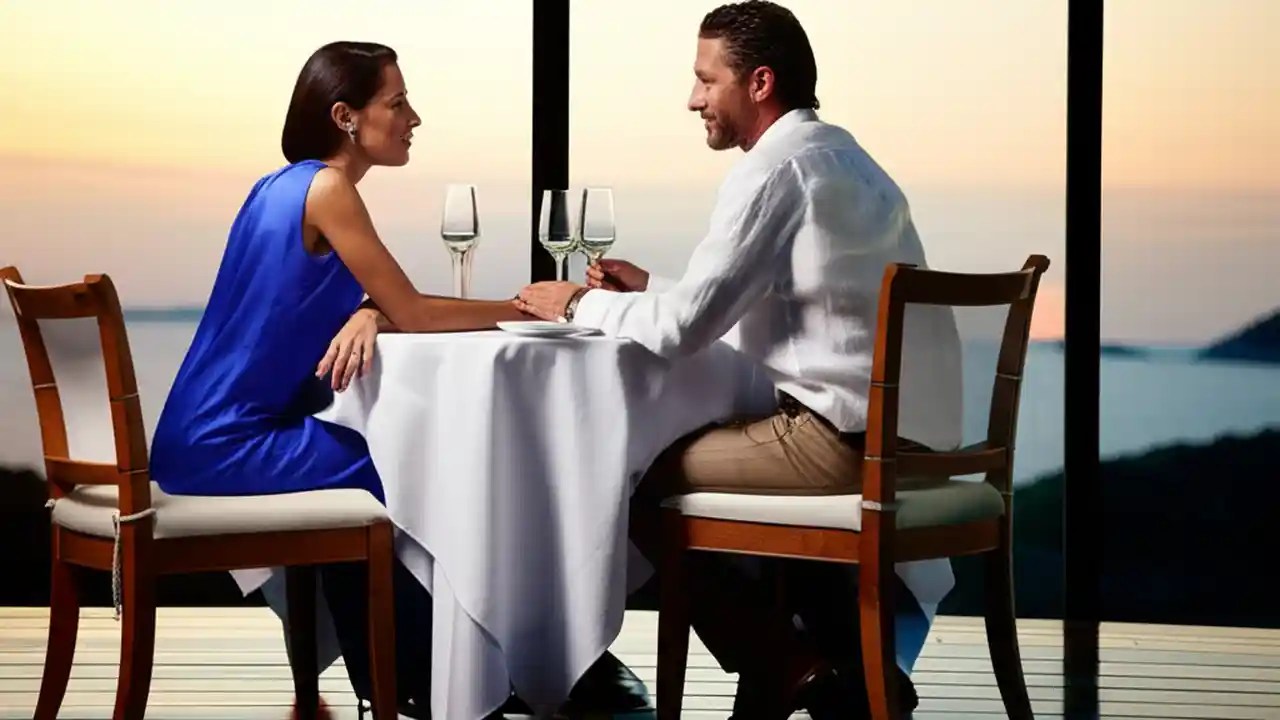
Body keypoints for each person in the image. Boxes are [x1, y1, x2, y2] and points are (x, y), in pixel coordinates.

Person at [148, 41, 645, 718]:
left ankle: (424, 666)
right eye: (398, 102)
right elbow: (414, 309)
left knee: (405, 464)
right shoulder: (330, 190)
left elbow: (304, 300)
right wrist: (530, 305)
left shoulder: (279, 185)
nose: (414, 117)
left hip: (193, 435)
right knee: (421, 470)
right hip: (229, 443)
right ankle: (475, 666)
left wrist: (368, 313)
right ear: (346, 115)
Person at [516, 2, 963, 718]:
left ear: (759, 83)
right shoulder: (849, 160)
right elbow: (778, 306)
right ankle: (844, 663)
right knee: (707, 461)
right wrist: (654, 288)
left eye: (705, 80)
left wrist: (575, 305)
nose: (693, 98)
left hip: (843, 445)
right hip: (911, 445)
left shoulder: (775, 170)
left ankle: (791, 669)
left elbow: (688, 329)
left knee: (632, 483)